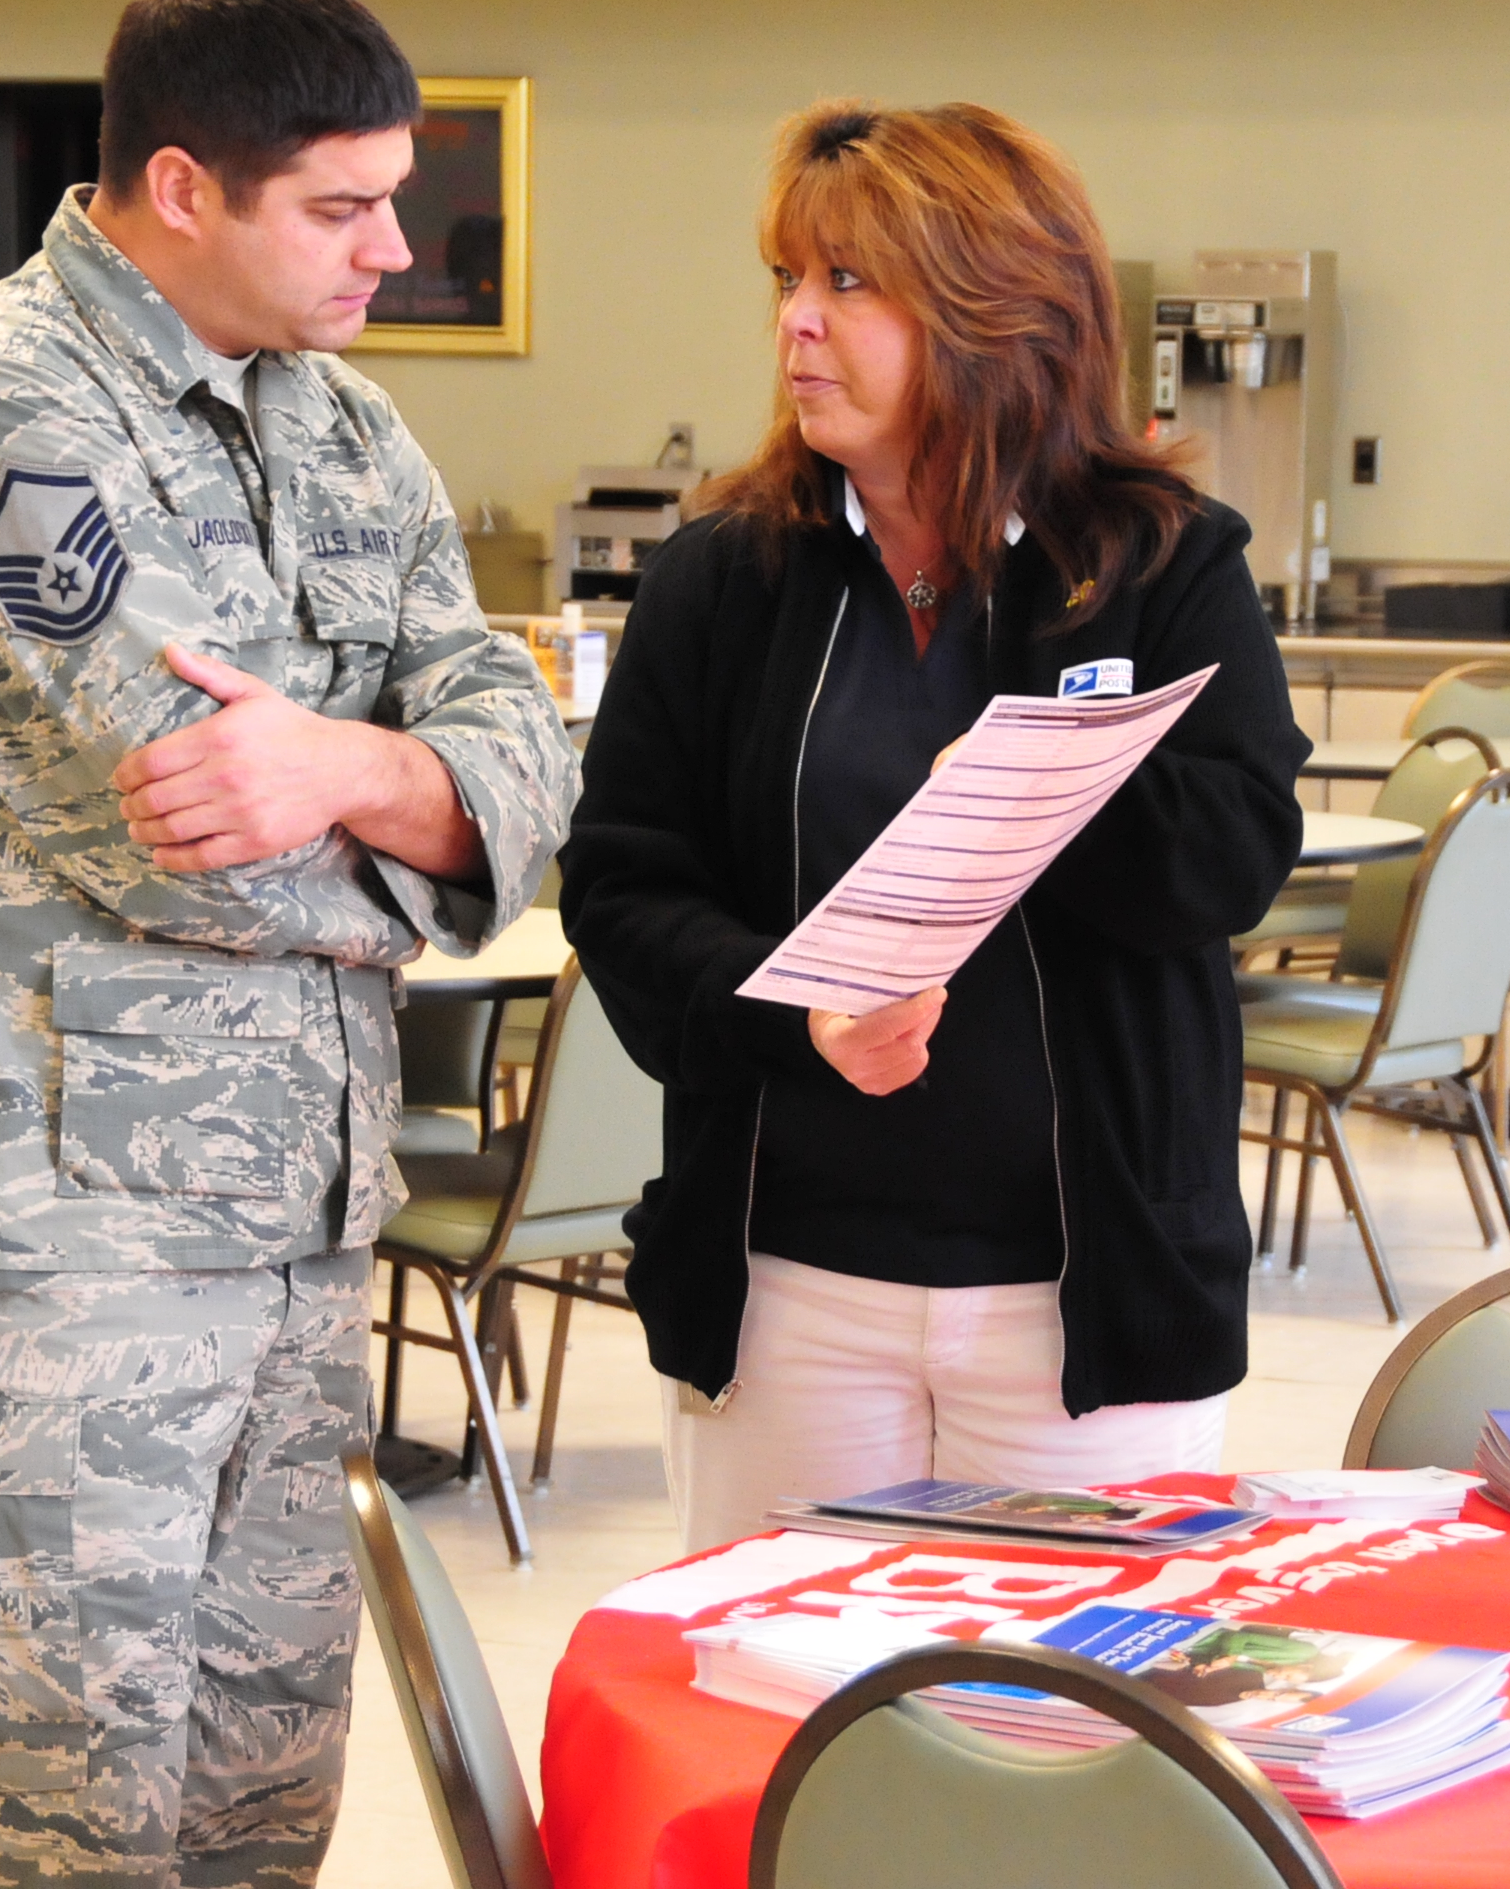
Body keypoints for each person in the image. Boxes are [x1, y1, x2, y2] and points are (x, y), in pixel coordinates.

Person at [0, 0, 575, 1885]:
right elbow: (186, 832)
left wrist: (349, 771)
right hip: (49, 1256)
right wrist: (425, 806)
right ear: (183, 188)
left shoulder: (334, 421)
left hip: (295, 1232)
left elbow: (517, 733)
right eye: (342, 205)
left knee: (259, 1823)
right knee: (49, 1838)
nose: (393, 249)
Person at [560, 100, 1306, 1552]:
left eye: (851, 284)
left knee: (1076, 1743)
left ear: (993, 311)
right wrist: (803, 1013)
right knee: (787, 1733)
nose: (798, 327)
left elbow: (1232, 855)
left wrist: (1035, 763)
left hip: (1086, 1310)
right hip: (791, 1296)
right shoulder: (725, 577)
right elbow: (626, 893)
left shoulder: (1159, 561)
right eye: (788, 280)